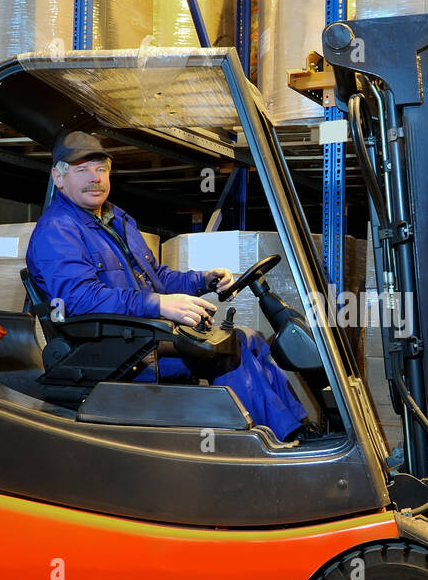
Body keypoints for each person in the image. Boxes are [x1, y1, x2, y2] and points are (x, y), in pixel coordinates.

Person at [26, 131, 316, 442]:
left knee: (251, 338)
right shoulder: (57, 231)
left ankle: (299, 428)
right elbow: (81, 299)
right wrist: (158, 305)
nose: (94, 178)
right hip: (118, 351)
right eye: (82, 170)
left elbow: (157, 277)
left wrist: (201, 280)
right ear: (58, 177)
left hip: (141, 335)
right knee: (229, 349)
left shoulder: (117, 219)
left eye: (101, 169)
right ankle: (282, 440)